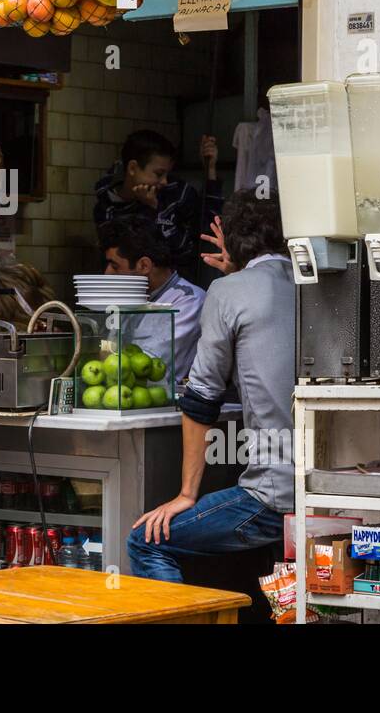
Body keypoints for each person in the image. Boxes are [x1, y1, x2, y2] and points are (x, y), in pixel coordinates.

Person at [128, 189, 295, 582]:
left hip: (274, 497)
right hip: (327, 491)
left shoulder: (228, 290)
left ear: (231, 238)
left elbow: (202, 398)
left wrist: (187, 495)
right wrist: (239, 270)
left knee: (147, 540)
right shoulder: (317, 282)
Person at [94, 129, 222, 283]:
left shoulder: (176, 193)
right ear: (133, 168)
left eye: (167, 174)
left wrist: (210, 170)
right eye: (158, 174)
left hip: (177, 289)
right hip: (126, 290)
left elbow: (200, 236)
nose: (164, 182)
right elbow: (120, 257)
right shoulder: (106, 207)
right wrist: (146, 209)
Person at [100, 218, 206, 381]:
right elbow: (106, 355)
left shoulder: (189, 301)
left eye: (115, 266)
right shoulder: (130, 299)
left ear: (144, 266)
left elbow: (150, 369)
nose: (108, 274)